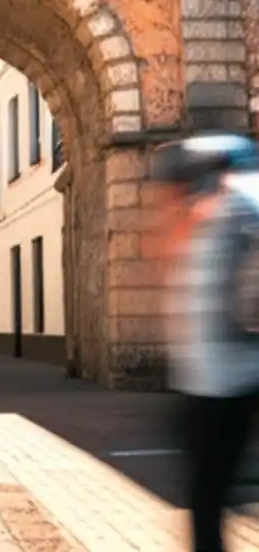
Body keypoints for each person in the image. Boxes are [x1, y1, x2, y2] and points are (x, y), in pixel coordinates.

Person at [151, 132, 259, 552]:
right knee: (206, 499)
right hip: (204, 384)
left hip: (228, 383)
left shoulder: (237, 214)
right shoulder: (212, 220)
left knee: (206, 499)